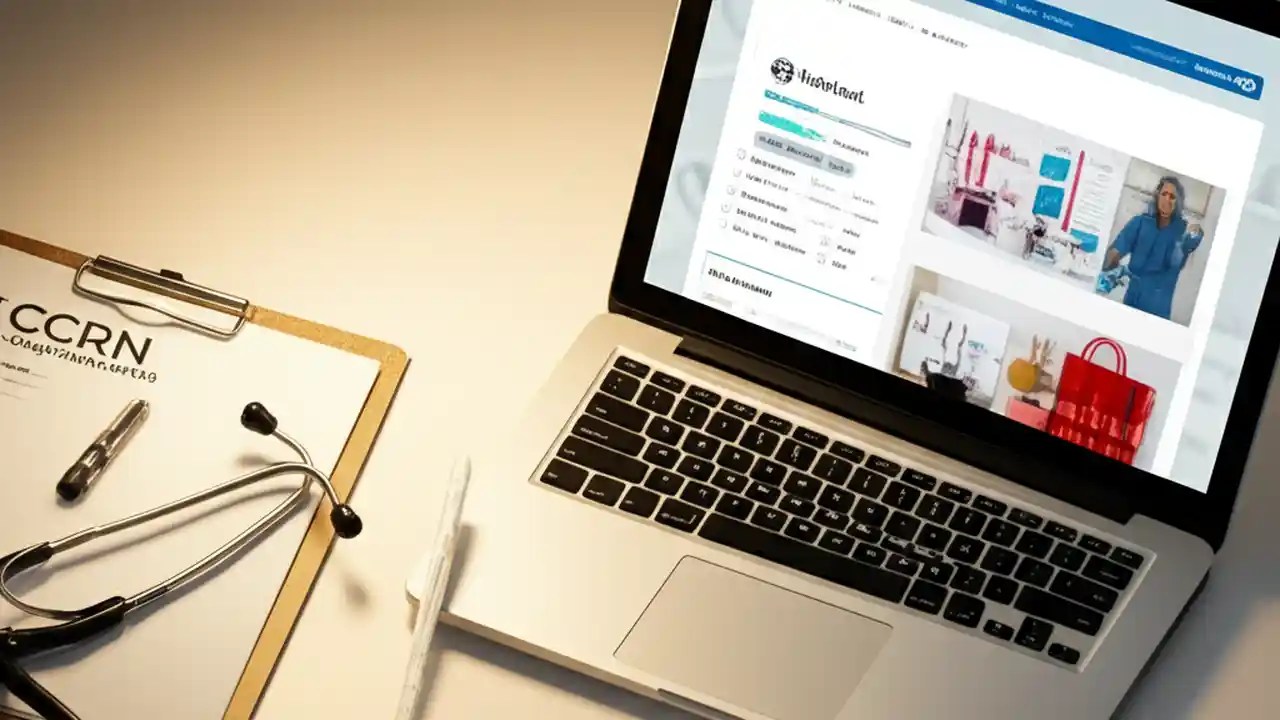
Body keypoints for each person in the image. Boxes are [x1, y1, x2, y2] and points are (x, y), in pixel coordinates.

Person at [1102, 175, 1204, 320]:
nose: (1167, 200)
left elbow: (1192, 241)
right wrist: (1107, 265)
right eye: (1164, 194)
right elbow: (1116, 251)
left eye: (1172, 197)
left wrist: (1196, 234)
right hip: (1131, 302)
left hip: (1158, 309)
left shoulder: (1182, 231)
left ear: (1178, 202)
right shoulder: (1139, 223)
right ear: (1157, 196)